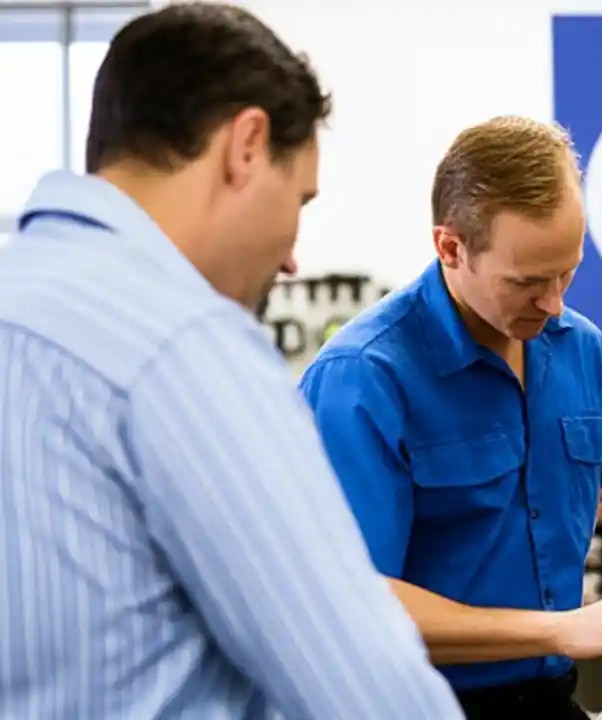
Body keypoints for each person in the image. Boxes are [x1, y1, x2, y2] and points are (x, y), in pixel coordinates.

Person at [0, 4, 462, 718]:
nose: (291, 257)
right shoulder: (182, 344)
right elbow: (373, 698)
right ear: (246, 146)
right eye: (300, 199)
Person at [298, 115, 602, 718]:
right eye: (527, 282)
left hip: (545, 700)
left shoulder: (583, 352)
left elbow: (563, 510)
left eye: (568, 272)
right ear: (450, 248)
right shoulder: (361, 379)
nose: (554, 303)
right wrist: (559, 629)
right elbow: (348, 604)